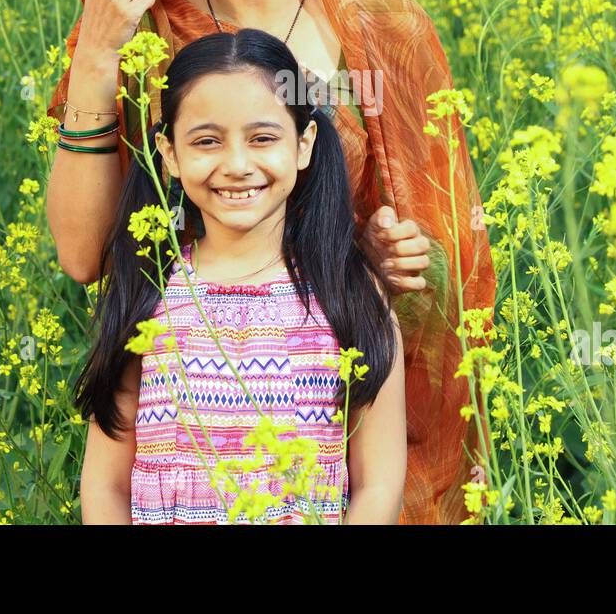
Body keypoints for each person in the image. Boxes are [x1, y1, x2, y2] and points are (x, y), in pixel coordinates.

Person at [47, 0, 495, 524]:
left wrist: (394, 256)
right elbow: (83, 255)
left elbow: (458, 257)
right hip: (183, 393)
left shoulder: (381, 35)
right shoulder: (145, 28)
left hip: (336, 398)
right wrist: (95, 52)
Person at [75, 29, 407, 524]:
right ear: (168, 154)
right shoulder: (149, 291)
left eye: (263, 138)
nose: (236, 164)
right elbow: (104, 485)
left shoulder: (351, 296)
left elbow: (379, 486)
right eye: (206, 141)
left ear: (303, 144)